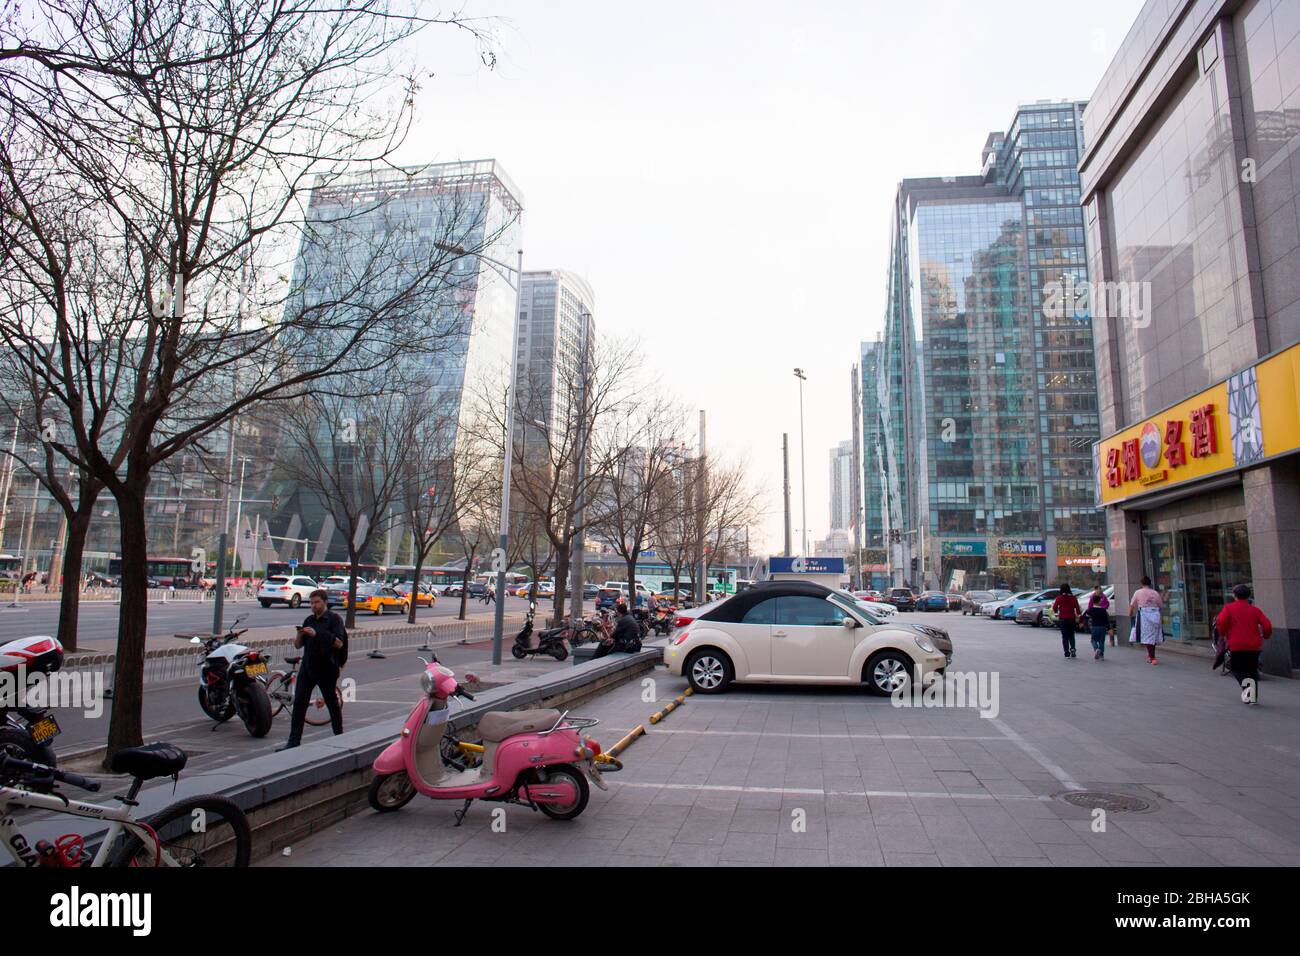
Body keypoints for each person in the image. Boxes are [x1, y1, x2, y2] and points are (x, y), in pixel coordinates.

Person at [277, 589, 346, 750]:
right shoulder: (309, 620)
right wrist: (301, 634)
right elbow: (298, 645)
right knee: (299, 703)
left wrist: (318, 634)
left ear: (325, 602)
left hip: (326, 668)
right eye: (311, 603)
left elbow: (339, 643)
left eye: (317, 603)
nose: (313, 606)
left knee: (331, 702)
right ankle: (293, 741)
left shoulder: (334, 619)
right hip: (308, 667)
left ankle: (340, 736)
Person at [1215, 584, 1272, 704]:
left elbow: (1221, 621)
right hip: (1253, 645)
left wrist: (1223, 633)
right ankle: (1252, 695)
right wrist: (1266, 635)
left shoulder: (1229, 608)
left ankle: (1248, 691)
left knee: (1237, 669)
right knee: (1251, 670)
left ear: (1234, 595)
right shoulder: (1255, 610)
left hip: (1237, 644)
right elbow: (1267, 625)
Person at [1128, 575, 1164, 664]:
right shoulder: (1155, 593)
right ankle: (1150, 655)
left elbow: (1132, 605)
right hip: (1155, 614)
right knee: (1153, 636)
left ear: (1141, 583)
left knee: (1147, 636)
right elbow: (1160, 605)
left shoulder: (1138, 592)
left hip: (1144, 615)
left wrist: (1130, 614)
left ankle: (1152, 657)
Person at [1052, 584, 1081, 659]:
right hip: (1071, 619)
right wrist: (1078, 615)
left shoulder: (1059, 598)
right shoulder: (1073, 598)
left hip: (1063, 619)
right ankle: (1073, 649)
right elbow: (1077, 609)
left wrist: (1057, 611)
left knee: (1065, 637)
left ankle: (1067, 653)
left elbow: (1054, 608)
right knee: (1071, 635)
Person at [1084, 584, 1111, 660]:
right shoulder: (1094, 598)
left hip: (1095, 626)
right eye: (1098, 589)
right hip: (1102, 626)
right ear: (1095, 589)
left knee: (1094, 640)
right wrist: (1108, 628)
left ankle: (1096, 649)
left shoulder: (1103, 597)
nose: (1100, 590)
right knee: (1102, 641)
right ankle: (1101, 654)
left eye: (1100, 589)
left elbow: (1086, 614)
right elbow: (1106, 620)